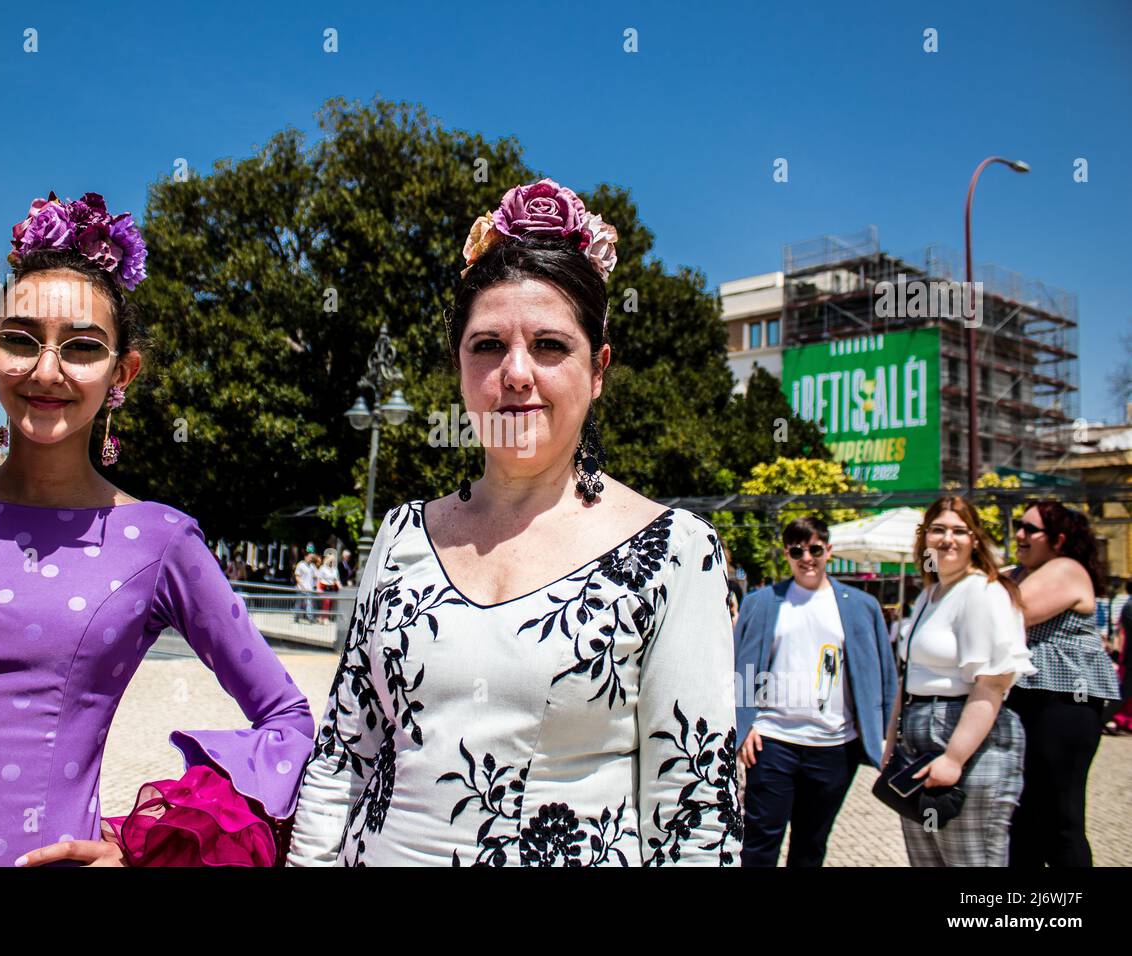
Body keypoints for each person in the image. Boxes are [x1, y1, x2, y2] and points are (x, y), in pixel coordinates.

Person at [289, 178, 740, 866]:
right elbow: (342, 755)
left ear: (598, 371)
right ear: (459, 367)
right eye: (488, 345)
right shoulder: (403, 533)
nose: (516, 373)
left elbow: (695, 816)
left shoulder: (675, 552)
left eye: (551, 346)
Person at [0, 191, 313, 866]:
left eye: (81, 348)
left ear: (120, 372)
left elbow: (290, 722)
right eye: (21, 340)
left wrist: (143, 848)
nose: (47, 371)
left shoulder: (159, 542)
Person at [734, 516, 897, 867]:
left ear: (829, 551)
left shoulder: (860, 606)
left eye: (815, 549)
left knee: (811, 844)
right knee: (760, 841)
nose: (807, 557)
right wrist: (743, 725)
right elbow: (740, 669)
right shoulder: (761, 603)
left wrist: (885, 736)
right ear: (786, 554)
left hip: (835, 746)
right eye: (797, 550)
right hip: (773, 740)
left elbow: (882, 673)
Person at [885, 497, 1034, 866]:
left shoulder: (983, 592)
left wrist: (954, 757)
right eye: (938, 529)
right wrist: (890, 744)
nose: (947, 539)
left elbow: (993, 682)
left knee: (972, 861)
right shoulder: (930, 594)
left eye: (958, 530)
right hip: (919, 744)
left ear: (976, 540)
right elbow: (909, 679)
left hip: (967, 743)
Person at [1007, 501, 1121, 866]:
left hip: (1063, 705)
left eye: (1029, 529)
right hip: (1026, 703)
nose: (1019, 535)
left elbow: (1007, 612)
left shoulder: (1066, 569)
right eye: (1017, 525)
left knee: (1060, 818)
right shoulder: (1019, 572)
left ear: (1058, 539)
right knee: (1022, 818)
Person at [1109, 579, 1132, 735]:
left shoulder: (1127, 604)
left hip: (1127, 653)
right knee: (1125, 690)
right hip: (1129, 654)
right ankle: (1109, 718)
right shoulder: (1129, 606)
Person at [316, 551, 341, 622]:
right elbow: (319, 579)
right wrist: (318, 588)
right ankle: (325, 618)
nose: (332, 562)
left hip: (331, 587)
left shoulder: (335, 569)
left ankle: (322, 617)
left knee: (330, 603)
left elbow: (336, 580)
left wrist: (341, 588)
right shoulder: (322, 568)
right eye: (331, 560)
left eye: (333, 561)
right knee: (326, 602)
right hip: (323, 586)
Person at [293, 551, 318, 623]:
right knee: (298, 603)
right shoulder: (300, 565)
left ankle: (310, 618)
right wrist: (302, 586)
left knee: (309, 603)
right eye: (310, 557)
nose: (311, 559)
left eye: (312, 558)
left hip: (309, 589)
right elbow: (297, 576)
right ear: (305, 557)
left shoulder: (312, 566)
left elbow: (317, 575)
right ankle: (296, 617)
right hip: (301, 588)